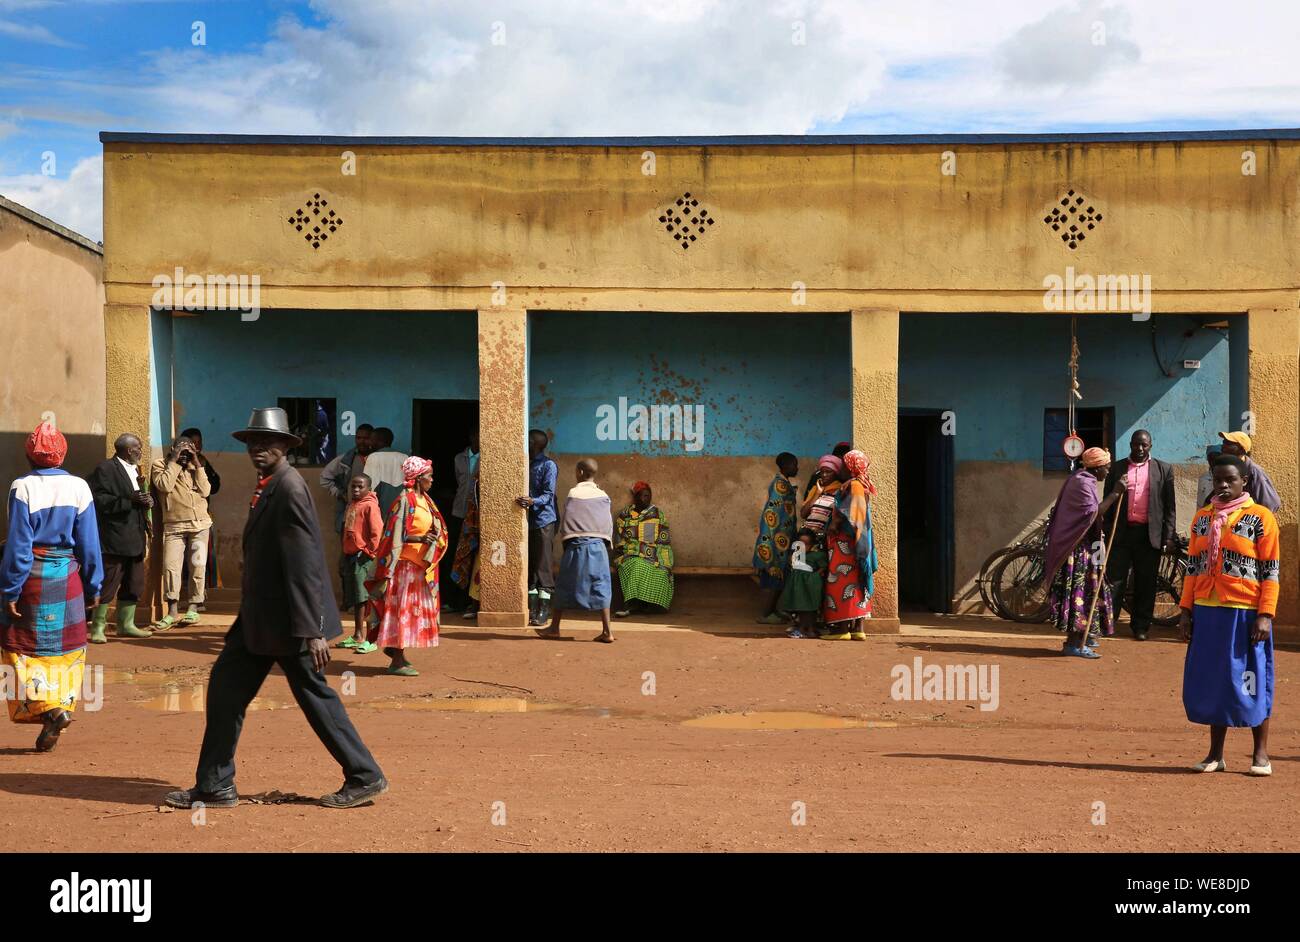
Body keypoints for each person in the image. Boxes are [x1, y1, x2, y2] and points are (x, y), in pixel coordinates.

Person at [164, 407, 387, 810]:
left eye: (267, 441)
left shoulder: (288, 487)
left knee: (315, 697)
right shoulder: (269, 484)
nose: (258, 448)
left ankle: (365, 775)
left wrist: (314, 628)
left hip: (288, 622)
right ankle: (215, 784)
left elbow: (305, 562)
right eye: (252, 442)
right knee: (226, 690)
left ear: (286, 445)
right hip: (260, 621)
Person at [0, 421, 103, 751]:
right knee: (67, 651)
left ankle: (49, 710)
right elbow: (89, 544)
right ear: (62, 455)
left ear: (29, 456)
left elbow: (18, 546)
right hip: (68, 575)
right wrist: (94, 584)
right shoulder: (79, 487)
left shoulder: (22, 488)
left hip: (31, 578)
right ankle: (57, 710)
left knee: (17, 646)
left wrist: (9, 590)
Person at [1179, 454, 1280, 776]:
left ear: (1244, 482)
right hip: (1208, 613)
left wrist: (1265, 614)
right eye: (1217, 479)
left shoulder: (1261, 518)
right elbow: (1193, 568)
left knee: (1252, 679)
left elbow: (1271, 571)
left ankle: (1260, 754)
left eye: (1229, 480)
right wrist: (1185, 610)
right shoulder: (1203, 519)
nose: (1222, 485)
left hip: (1245, 613)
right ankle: (1215, 755)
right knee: (1214, 681)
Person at [366, 456, 448, 677]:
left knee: (410, 612)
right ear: (419, 478)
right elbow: (394, 534)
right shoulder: (404, 500)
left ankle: (396, 652)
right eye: (429, 476)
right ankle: (397, 660)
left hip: (418, 567)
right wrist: (421, 540)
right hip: (404, 568)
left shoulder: (425, 500)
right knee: (401, 612)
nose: (432, 479)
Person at [1043, 447, 1122, 658]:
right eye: (1106, 467)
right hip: (1076, 550)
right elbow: (1093, 514)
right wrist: (1115, 493)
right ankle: (1073, 643)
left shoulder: (1082, 479)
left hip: (1087, 546)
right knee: (1080, 593)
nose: (1107, 471)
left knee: (1092, 590)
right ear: (1097, 468)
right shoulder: (1082, 482)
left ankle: (1085, 636)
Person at [1104, 429, 1177, 640]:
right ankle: (1109, 622)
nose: (1140, 448)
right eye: (1136, 444)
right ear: (1130, 445)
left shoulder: (1163, 469)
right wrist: (1107, 530)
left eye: (1144, 445)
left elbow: (1170, 508)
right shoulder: (1117, 468)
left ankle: (1141, 626)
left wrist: (1168, 537)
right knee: (1115, 580)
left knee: (1145, 582)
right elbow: (1108, 501)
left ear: (1150, 446)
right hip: (1122, 534)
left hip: (1149, 535)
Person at [536, 458, 614, 643]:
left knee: (564, 585)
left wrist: (566, 541)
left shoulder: (574, 493)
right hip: (599, 547)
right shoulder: (603, 495)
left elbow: (568, 521)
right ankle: (607, 631)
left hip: (577, 547)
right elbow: (607, 524)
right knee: (602, 585)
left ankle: (554, 628)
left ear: (579, 472)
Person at [85, 432, 154, 642]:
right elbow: (99, 499)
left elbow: (138, 498)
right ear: (128, 450)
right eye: (139, 448)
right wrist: (129, 500)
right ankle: (98, 626)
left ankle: (127, 624)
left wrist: (146, 500)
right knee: (109, 582)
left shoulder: (135, 470)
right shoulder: (105, 468)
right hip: (114, 536)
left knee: (134, 582)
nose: (141, 451)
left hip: (135, 534)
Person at [149, 434, 212, 630]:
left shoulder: (197, 465)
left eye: (188, 451)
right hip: (174, 526)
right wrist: (175, 462)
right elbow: (164, 485)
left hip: (200, 524)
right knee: (171, 567)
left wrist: (196, 464)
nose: (185, 454)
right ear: (173, 449)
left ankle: (193, 607)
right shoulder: (161, 464)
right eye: (181, 450)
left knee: (197, 566)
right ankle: (172, 611)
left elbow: (206, 490)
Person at [820, 449, 878, 641]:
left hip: (846, 543)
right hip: (860, 542)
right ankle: (858, 628)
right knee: (858, 582)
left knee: (842, 582)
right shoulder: (863, 483)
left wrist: (834, 525)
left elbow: (850, 513)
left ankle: (842, 628)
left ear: (851, 467)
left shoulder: (853, 486)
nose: (842, 468)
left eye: (845, 465)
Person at [515, 429, 558, 626]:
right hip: (528, 521)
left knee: (543, 565)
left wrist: (532, 501)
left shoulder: (548, 465)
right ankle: (532, 608)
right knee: (531, 565)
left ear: (535, 443)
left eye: (528, 440)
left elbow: (548, 495)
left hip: (543, 521)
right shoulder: (525, 463)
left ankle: (544, 610)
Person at [336, 474, 383, 653]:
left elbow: (376, 533)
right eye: (353, 487)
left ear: (368, 489)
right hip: (351, 556)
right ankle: (357, 634)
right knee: (357, 599)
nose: (355, 490)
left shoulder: (370, 506)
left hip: (363, 558)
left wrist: (368, 553)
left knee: (366, 598)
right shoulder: (352, 505)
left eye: (360, 487)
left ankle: (371, 638)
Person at [613, 481, 674, 617]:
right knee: (638, 565)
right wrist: (633, 549)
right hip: (630, 554)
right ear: (636, 497)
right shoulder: (626, 514)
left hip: (655, 555)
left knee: (660, 570)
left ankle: (650, 605)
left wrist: (650, 552)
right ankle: (630, 605)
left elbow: (663, 540)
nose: (647, 499)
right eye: (643, 496)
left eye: (648, 496)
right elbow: (619, 538)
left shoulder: (657, 514)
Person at [753, 452, 799, 625]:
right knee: (776, 578)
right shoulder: (780, 486)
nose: (797, 468)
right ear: (785, 466)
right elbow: (773, 514)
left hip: (783, 539)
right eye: (794, 464)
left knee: (782, 577)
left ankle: (773, 611)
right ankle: (766, 614)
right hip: (777, 541)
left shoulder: (784, 484)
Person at [179, 427, 222, 606]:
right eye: (193, 442)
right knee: (182, 562)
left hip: (201, 518)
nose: (197, 446)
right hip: (181, 519)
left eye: (199, 442)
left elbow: (215, 486)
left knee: (200, 558)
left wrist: (201, 468)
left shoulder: (203, 462)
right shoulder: (176, 463)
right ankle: (182, 596)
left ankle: (199, 597)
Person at [444, 428, 480, 612]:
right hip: (459, 513)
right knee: (454, 556)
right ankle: (452, 600)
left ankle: (468, 601)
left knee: (473, 557)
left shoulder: (488, 457)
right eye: (476, 434)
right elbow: (458, 482)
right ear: (471, 436)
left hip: (477, 517)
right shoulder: (459, 458)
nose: (478, 438)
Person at [320, 423, 374, 534]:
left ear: (372, 439)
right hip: (351, 514)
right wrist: (340, 494)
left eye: (366, 438)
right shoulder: (347, 460)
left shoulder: (379, 459)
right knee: (349, 548)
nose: (362, 441)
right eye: (359, 438)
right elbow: (325, 477)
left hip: (373, 513)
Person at [779, 528, 827, 639]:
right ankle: (805, 629)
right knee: (801, 606)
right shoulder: (796, 555)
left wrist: (815, 576)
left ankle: (807, 629)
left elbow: (823, 567)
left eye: (806, 544)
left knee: (810, 607)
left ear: (812, 544)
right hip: (798, 585)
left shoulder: (817, 555)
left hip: (810, 584)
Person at [1217, 431, 1281, 513]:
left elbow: (1271, 504)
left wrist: (1251, 519)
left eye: (1228, 443)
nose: (1223, 446)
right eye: (1223, 442)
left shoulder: (1254, 471)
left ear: (1241, 448)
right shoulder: (1225, 468)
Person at [450, 461, 482, 620]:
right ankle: (468, 603)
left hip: (486, 525)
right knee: (470, 562)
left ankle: (476, 604)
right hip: (473, 523)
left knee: (479, 566)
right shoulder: (477, 478)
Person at [362, 427, 409, 524]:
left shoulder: (373, 457)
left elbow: (368, 488)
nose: (369, 443)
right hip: (402, 507)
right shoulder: (404, 457)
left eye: (371, 439)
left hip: (379, 510)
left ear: (379, 441)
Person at [1196, 445, 1222, 510]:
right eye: (1210, 457)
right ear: (1207, 459)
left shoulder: (1226, 477)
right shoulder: (1203, 478)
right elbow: (1200, 502)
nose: (1213, 461)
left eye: (1216, 457)